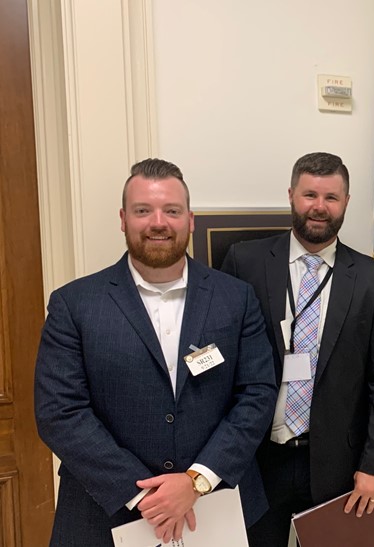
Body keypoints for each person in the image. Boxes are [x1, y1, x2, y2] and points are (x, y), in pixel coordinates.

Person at [34, 158, 278, 546]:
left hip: (216, 509)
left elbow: (257, 393)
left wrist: (196, 481)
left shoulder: (236, 298)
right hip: (104, 513)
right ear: (123, 218)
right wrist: (145, 494)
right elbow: (59, 413)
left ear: (191, 219)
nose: (158, 222)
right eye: (143, 210)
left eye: (172, 210)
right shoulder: (74, 304)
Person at [221, 152, 374, 547]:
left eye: (331, 197)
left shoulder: (373, 278)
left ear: (346, 203)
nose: (319, 207)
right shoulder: (245, 261)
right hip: (257, 460)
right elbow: (222, 362)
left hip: (339, 465)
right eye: (309, 195)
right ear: (291, 195)